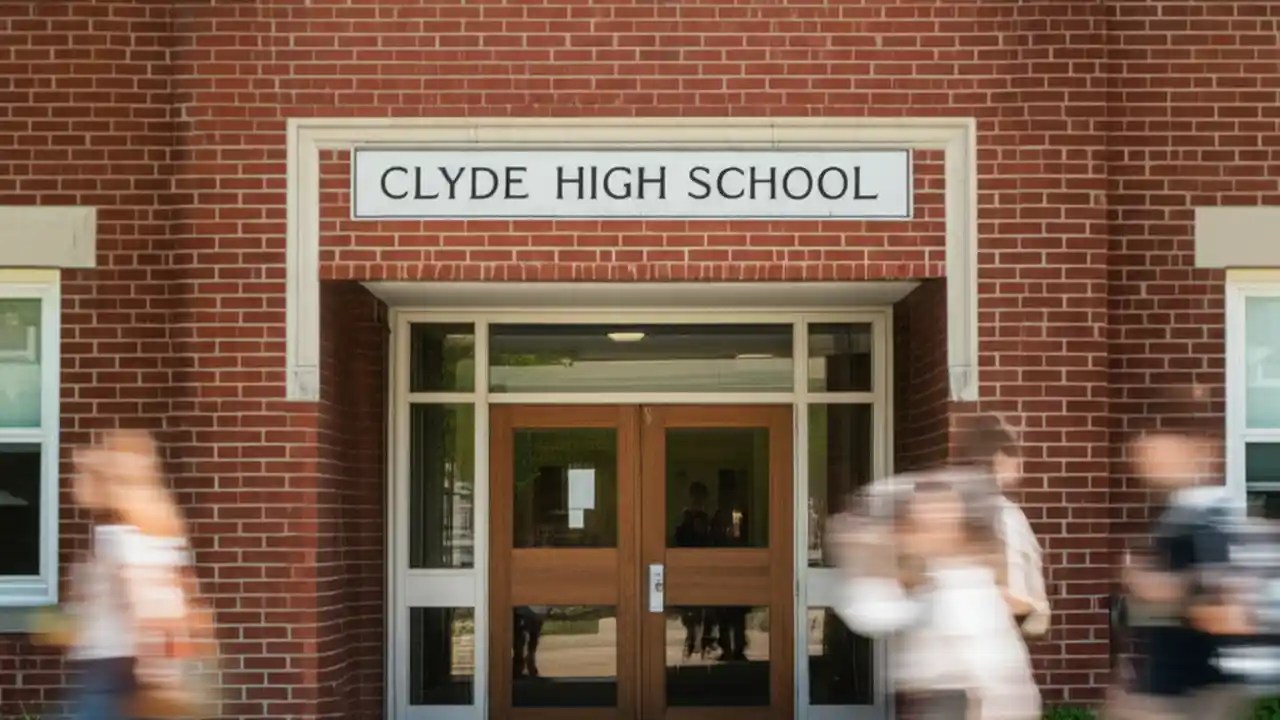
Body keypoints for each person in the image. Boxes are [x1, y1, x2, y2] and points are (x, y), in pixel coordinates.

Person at [831, 469, 1041, 720]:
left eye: (938, 517)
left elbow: (989, 663)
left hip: (973, 698)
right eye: (920, 519)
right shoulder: (935, 576)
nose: (924, 528)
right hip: (942, 696)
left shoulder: (967, 579)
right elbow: (869, 613)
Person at [65, 429, 215, 720]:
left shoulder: (119, 537)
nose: (74, 484)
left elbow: (147, 604)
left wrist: (157, 668)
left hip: (112, 671)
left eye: (83, 475)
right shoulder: (158, 528)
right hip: (115, 669)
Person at [1117, 430, 1252, 720]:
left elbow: (1220, 600)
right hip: (1177, 678)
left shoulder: (1203, 517)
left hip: (1198, 684)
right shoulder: (1177, 515)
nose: (1145, 468)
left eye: (1155, 458)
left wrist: (1154, 586)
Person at [953, 414, 1051, 639]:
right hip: (993, 640)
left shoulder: (955, 509)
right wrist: (1034, 611)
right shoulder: (1003, 516)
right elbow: (1011, 594)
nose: (1021, 462)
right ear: (999, 457)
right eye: (1016, 454)